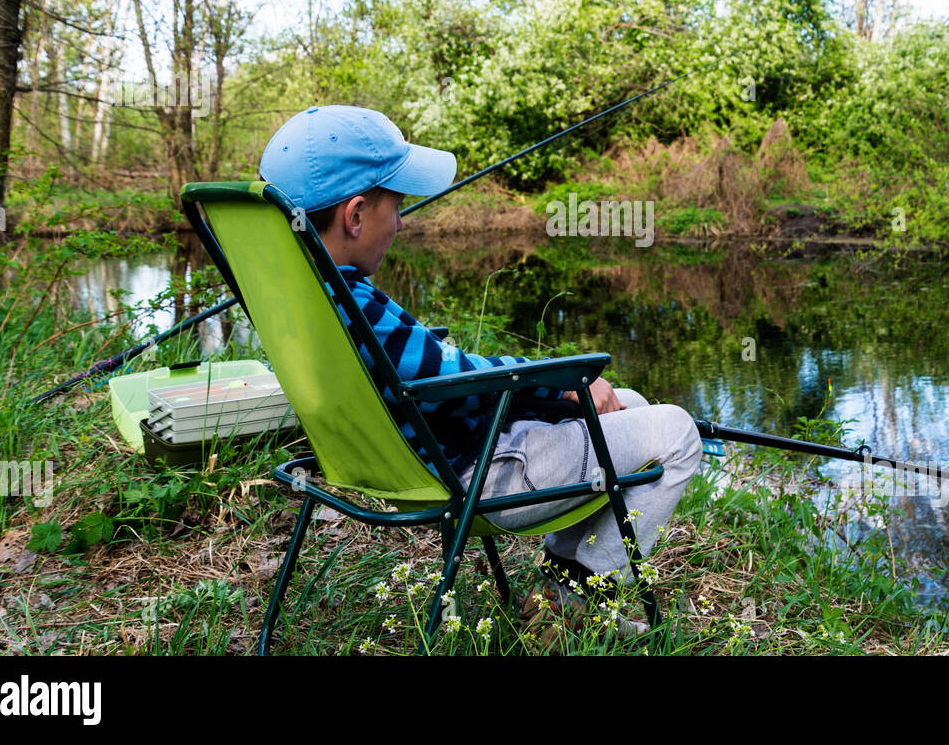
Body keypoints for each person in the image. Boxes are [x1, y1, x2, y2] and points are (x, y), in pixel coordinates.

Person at [259, 105, 702, 632]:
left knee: (628, 405)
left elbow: (428, 373)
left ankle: (563, 580)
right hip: (474, 476)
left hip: (403, 461)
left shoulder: (302, 297)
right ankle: (571, 605)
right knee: (676, 432)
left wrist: (554, 389)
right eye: (396, 206)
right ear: (355, 216)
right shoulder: (357, 305)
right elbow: (450, 382)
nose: (401, 222)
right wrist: (560, 383)